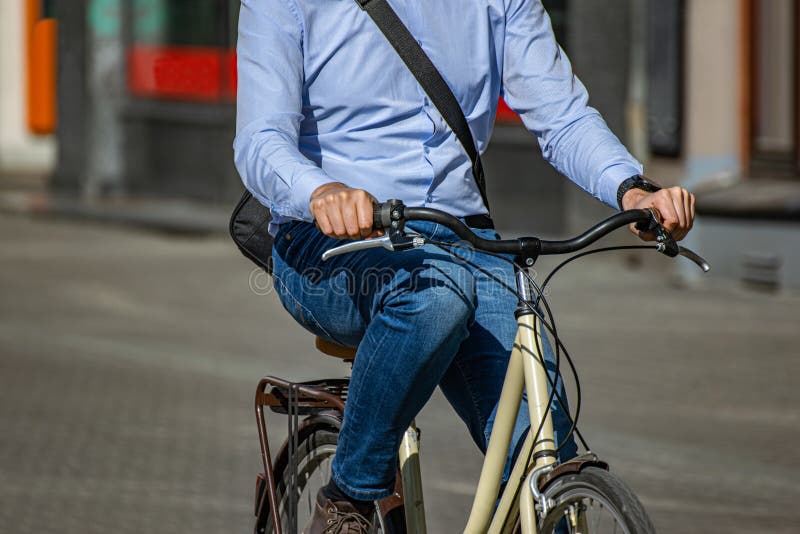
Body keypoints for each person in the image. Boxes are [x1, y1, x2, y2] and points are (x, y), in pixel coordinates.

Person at [234, 0, 695, 531]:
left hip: (462, 237)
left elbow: (562, 116)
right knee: (434, 298)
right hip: (331, 241)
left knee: (543, 455)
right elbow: (258, 141)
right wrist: (321, 191)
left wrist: (631, 189)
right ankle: (347, 499)